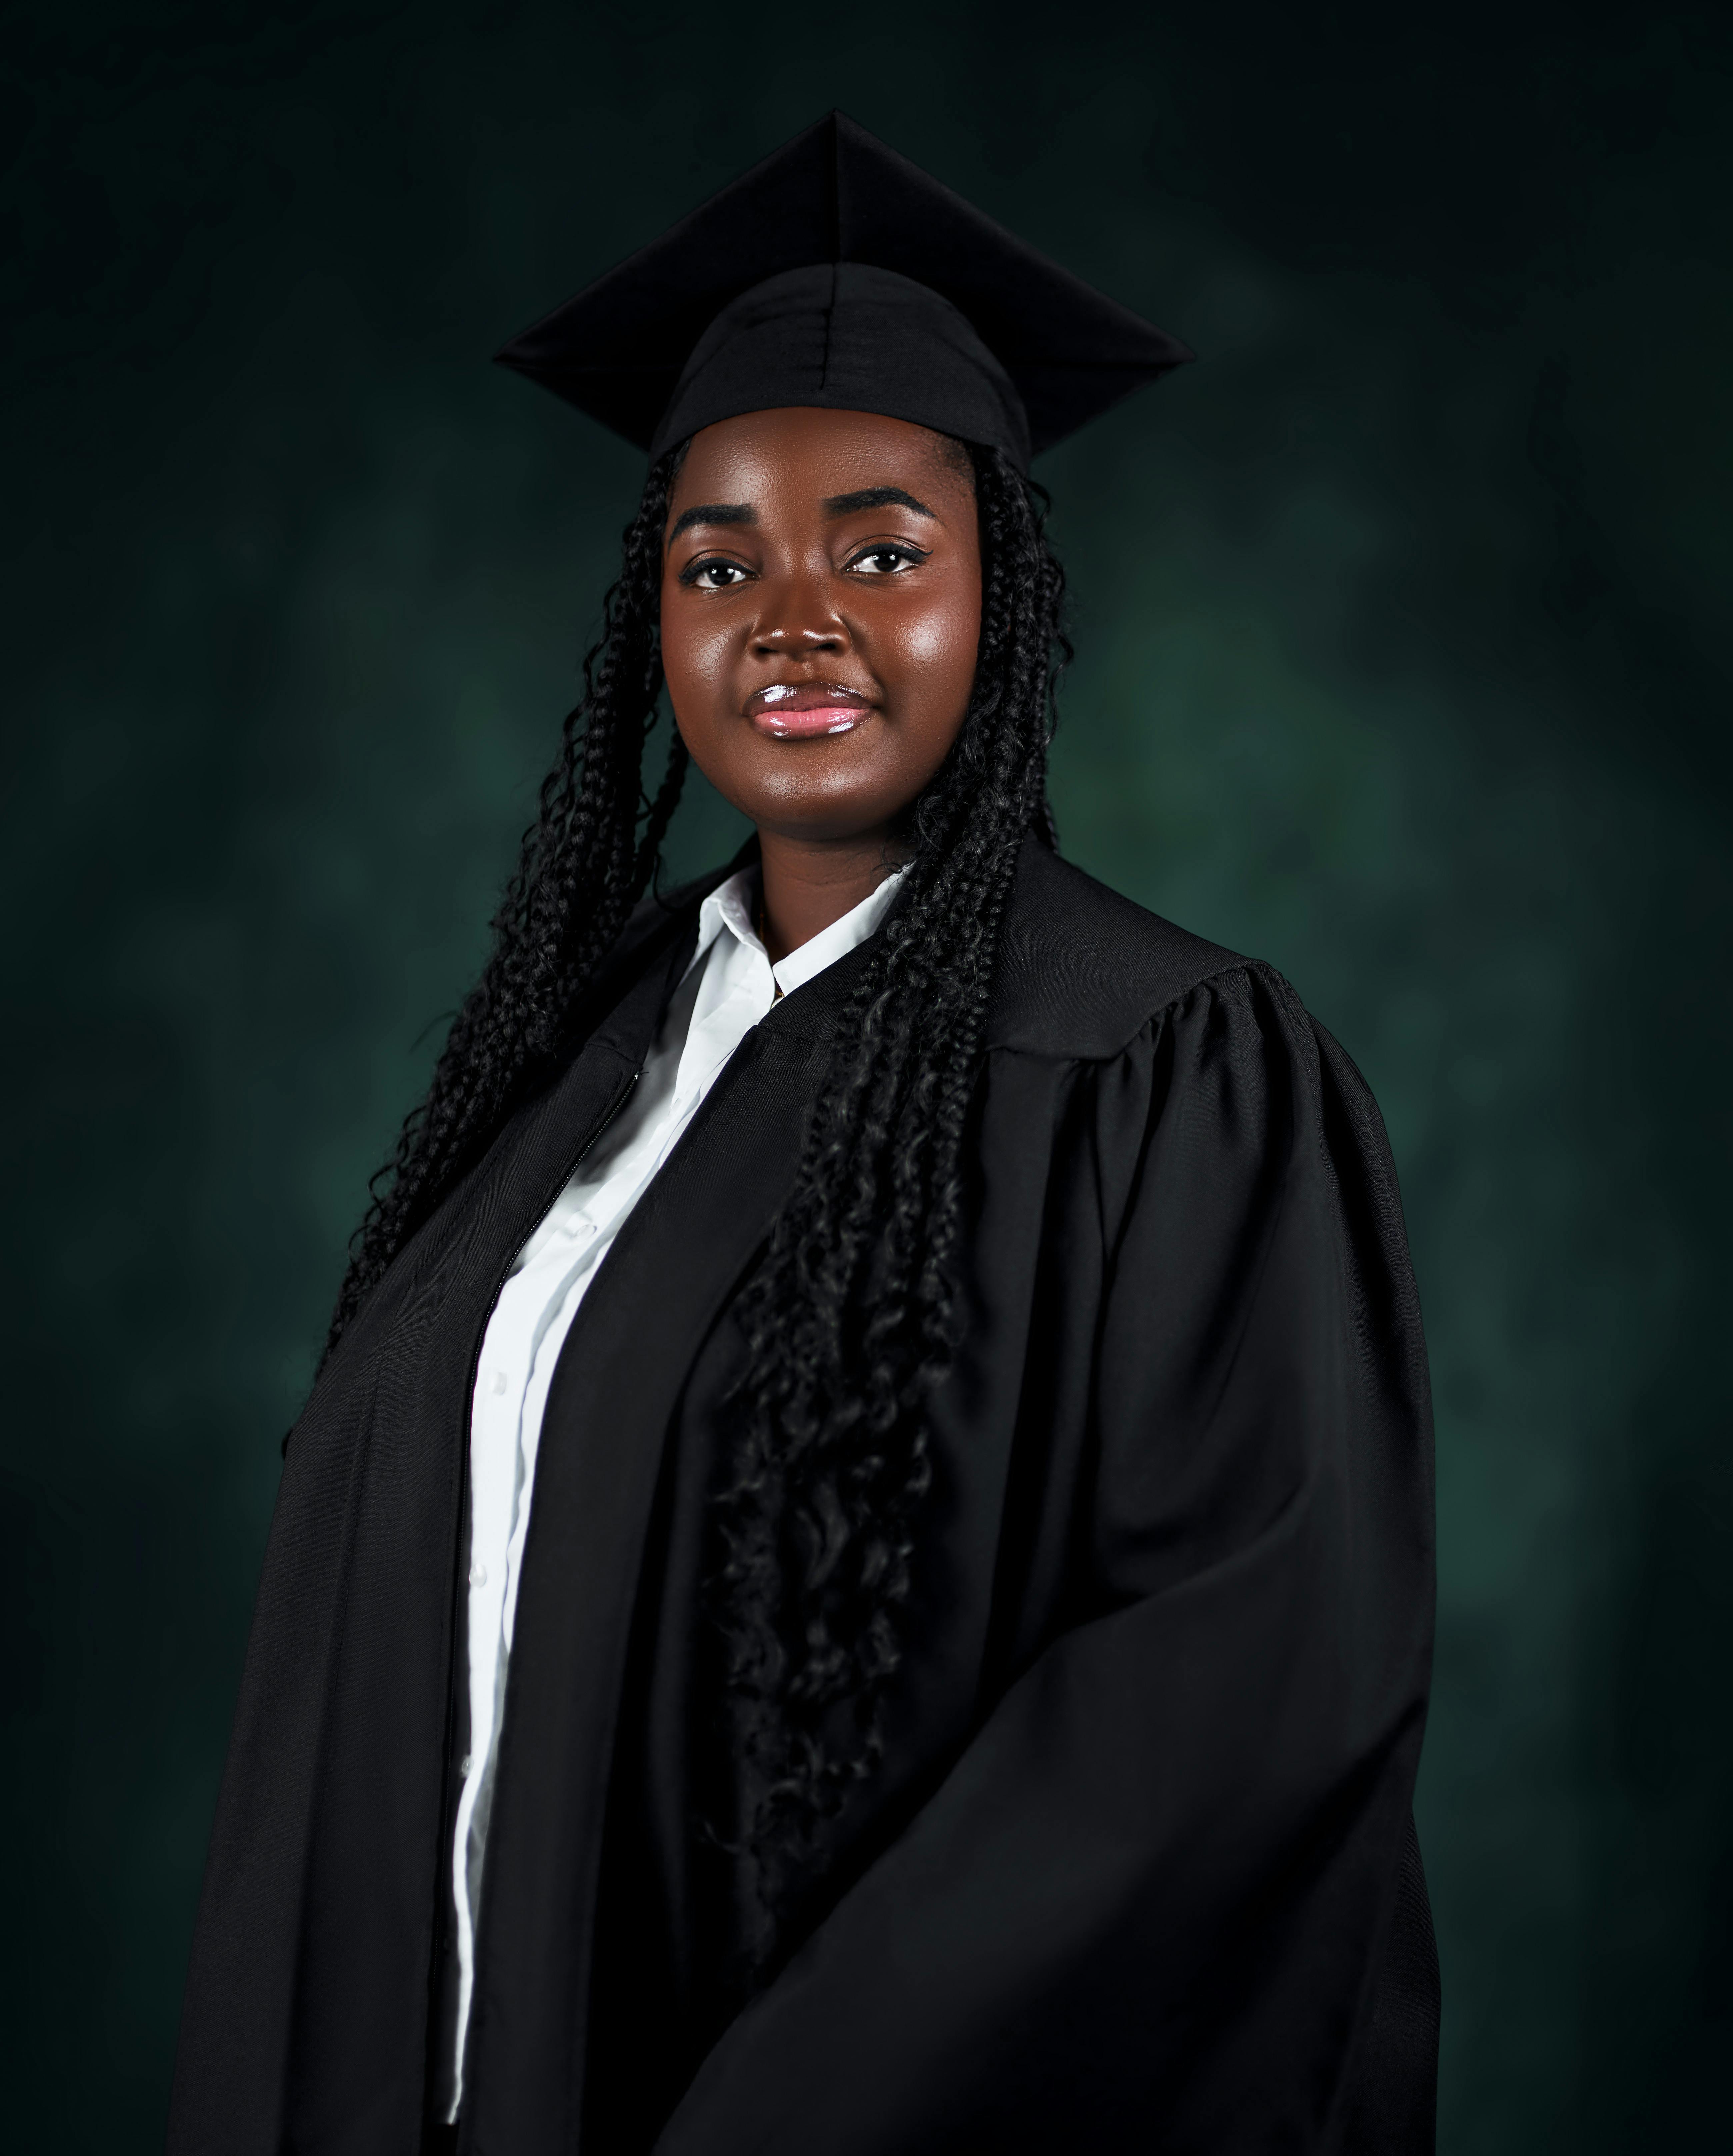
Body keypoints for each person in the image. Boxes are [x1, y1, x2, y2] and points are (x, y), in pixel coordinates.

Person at [168, 114, 1438, 2156]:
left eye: (879, 549)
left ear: (996, 596)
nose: (790, 614)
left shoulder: (1167, 1070)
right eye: (716, 558)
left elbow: (1213, 1721)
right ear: (650, 623)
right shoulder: (578, 1073)